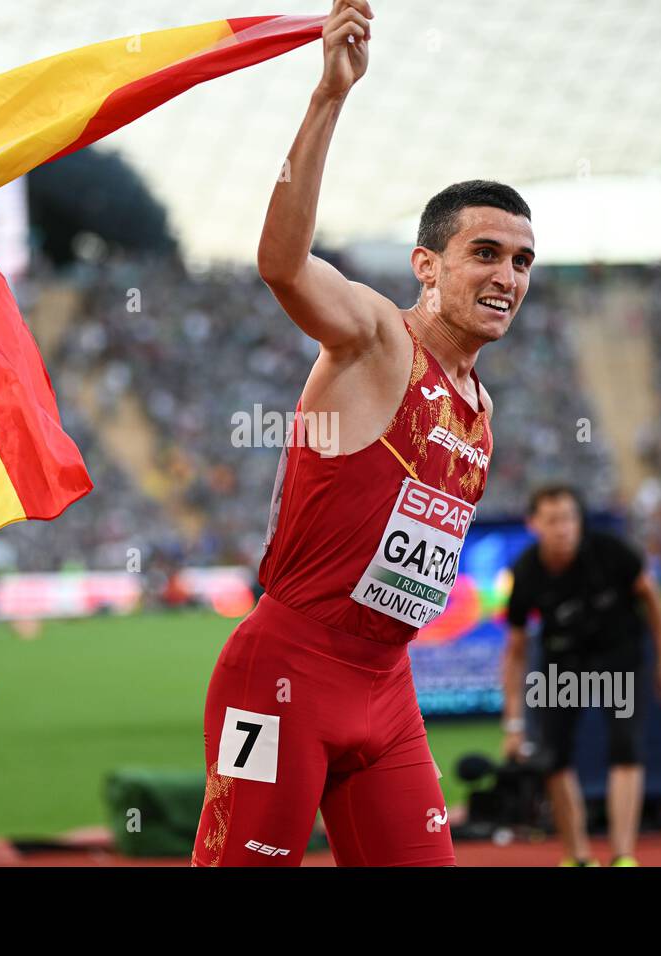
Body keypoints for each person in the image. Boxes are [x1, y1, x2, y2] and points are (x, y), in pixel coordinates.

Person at [193, 0, 535, 865]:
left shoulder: (481, 407)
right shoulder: (379, 340)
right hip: (284, 678)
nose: (507, 276)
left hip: (386, 691)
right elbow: (281, 263)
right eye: (485, 253)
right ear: (428, 266)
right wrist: (329, 97)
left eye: (523, 261)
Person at [501, 484, 661, 866]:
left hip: (618, 654)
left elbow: (651, 596)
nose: (563, 528)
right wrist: (514, 722)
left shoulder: (610, 551)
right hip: (562, 660)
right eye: (552, 520)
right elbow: (516, 651)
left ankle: (622, 855)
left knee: (625, 749)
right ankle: (578, 856)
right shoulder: (527, 572)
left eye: (568, 518)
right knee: (553, 758)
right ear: (534, 524)